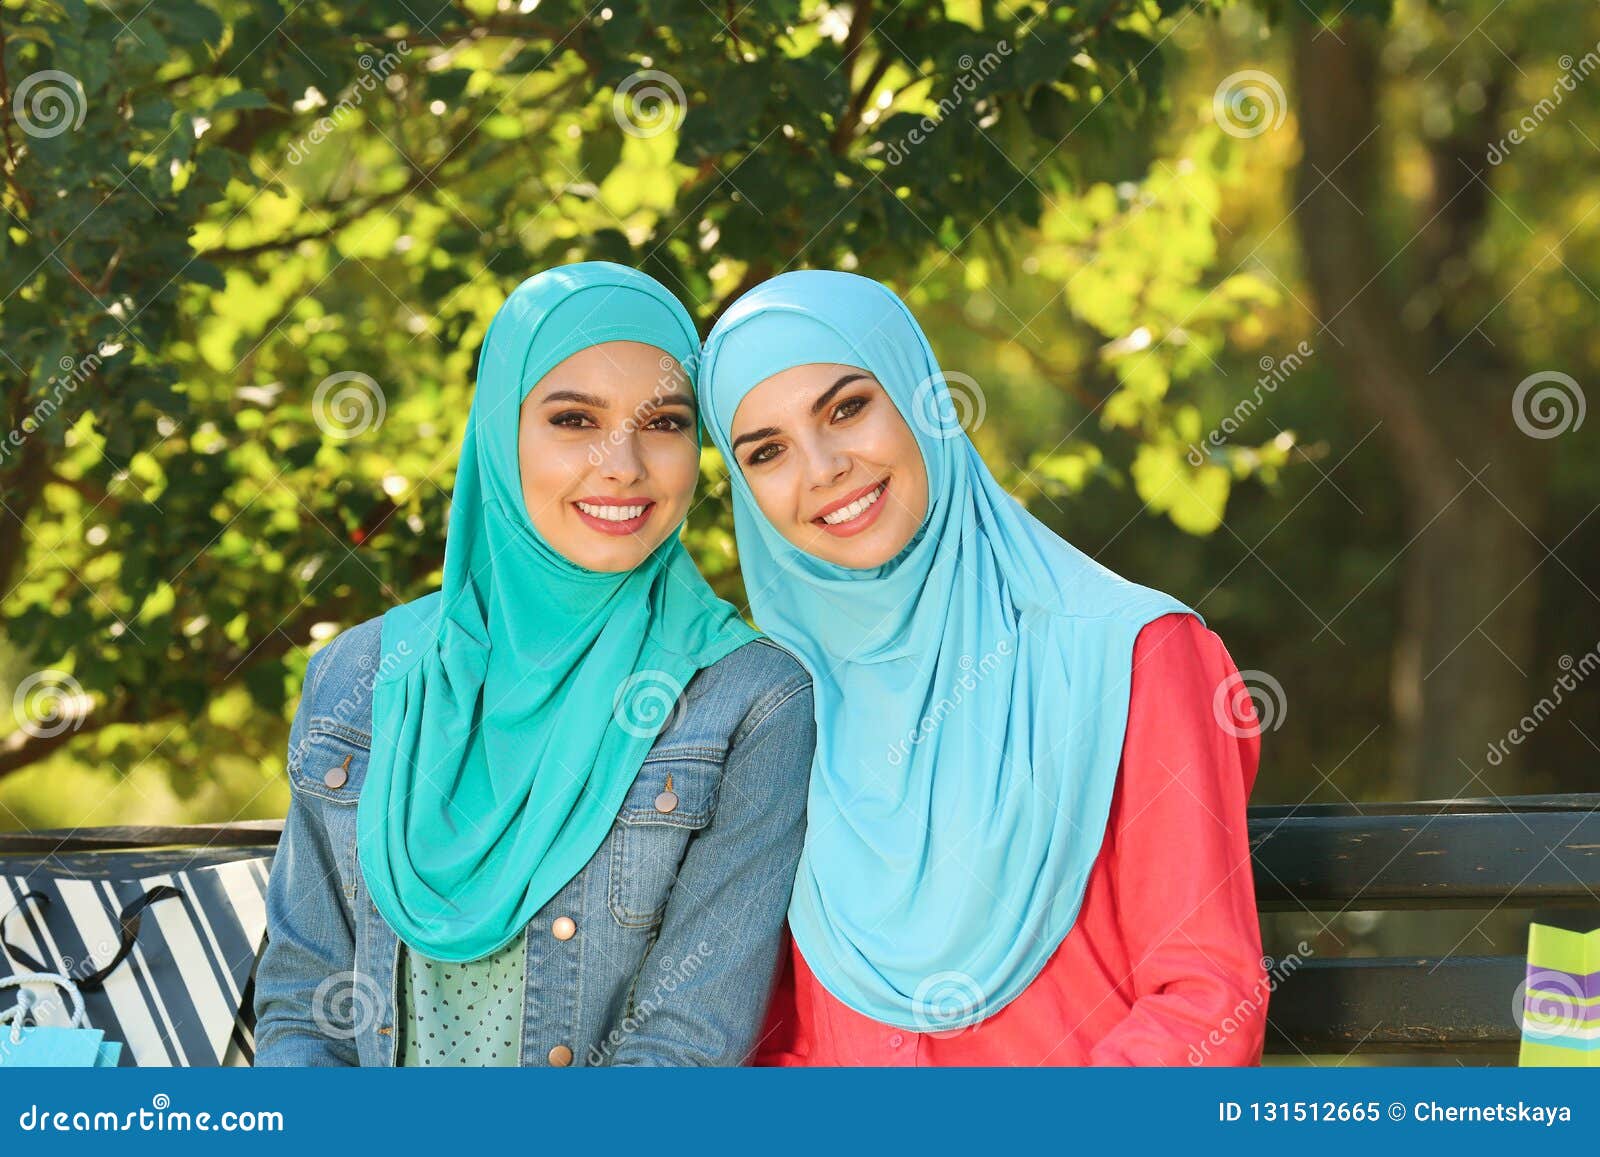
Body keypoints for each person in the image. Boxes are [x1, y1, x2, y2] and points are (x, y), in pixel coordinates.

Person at [697, 269, 1267, 1065]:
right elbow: (786, 1039)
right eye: (767, 452)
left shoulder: (1137, 654)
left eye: (848, 407)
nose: (823, 466)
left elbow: (1206, 993)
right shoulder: (783, 704)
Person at [254, 262, 815, 1067]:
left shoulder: (750, 702)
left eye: (663, 423)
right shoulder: (359, 675)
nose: (622, 464)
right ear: (499, 431)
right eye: (575, 420)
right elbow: (304, 1006)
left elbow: (683, 1046)